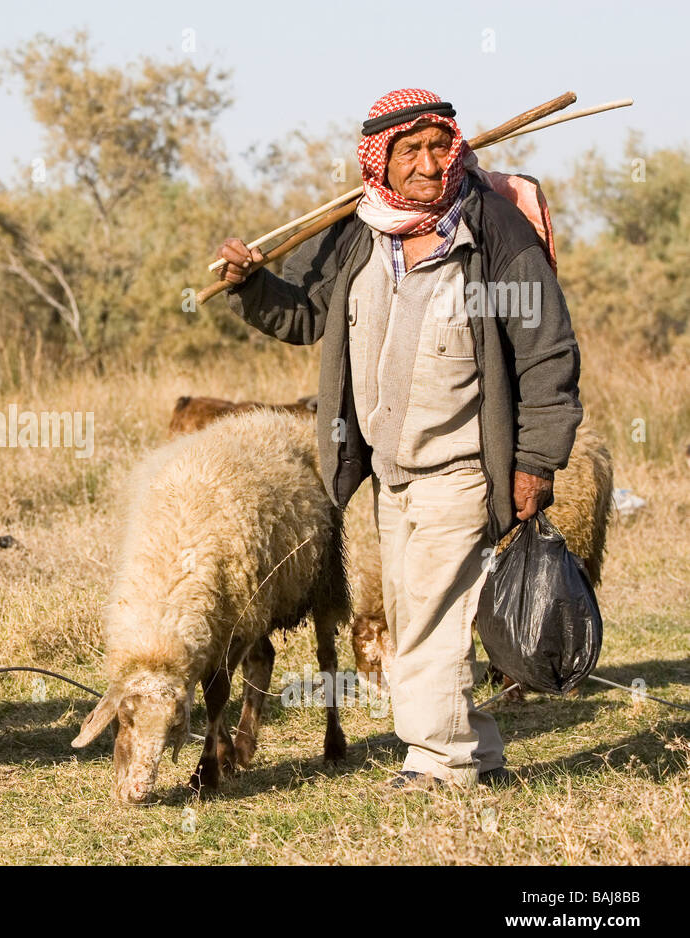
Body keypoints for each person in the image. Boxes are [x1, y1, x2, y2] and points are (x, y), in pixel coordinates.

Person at [215, 88, 582, 788]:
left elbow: (547, 353)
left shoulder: (491, 232)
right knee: (417, 609)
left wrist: (536, 461)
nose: (425, 163)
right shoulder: (362, 230)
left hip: (466, 466)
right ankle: (480, 754)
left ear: (455, 147)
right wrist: (252, 285)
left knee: (430, 619)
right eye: (408, 150)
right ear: (378, 159)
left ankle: (438, 763)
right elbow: (304, 316)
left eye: (437, 146)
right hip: (393, 471)